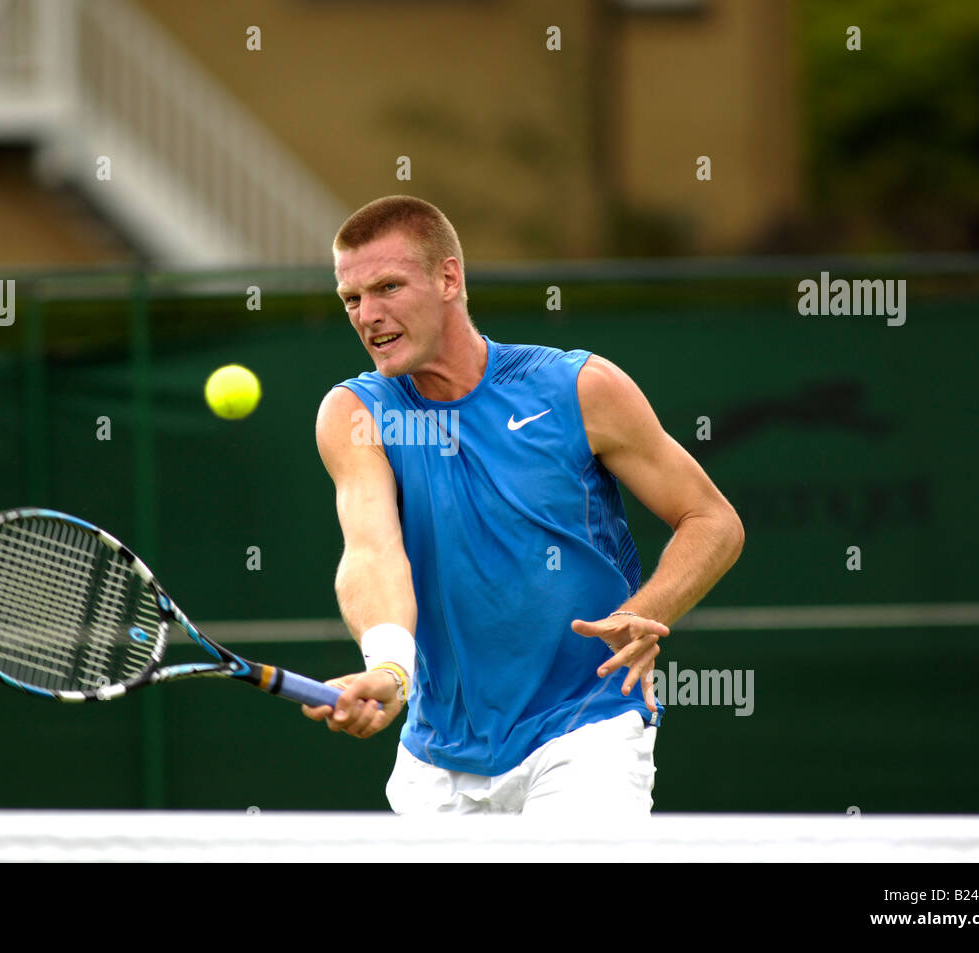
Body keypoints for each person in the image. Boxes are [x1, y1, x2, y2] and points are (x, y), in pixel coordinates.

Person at [303, 195, 743, 815]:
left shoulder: (579, 387)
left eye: (388, 288)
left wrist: (645, 612)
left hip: (585, 728)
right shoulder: (355, 413)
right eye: (351, 299)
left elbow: (712, 520)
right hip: (437, 756)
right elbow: (372, 550)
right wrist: (390, 667)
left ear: (449, 278)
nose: (368, 315)